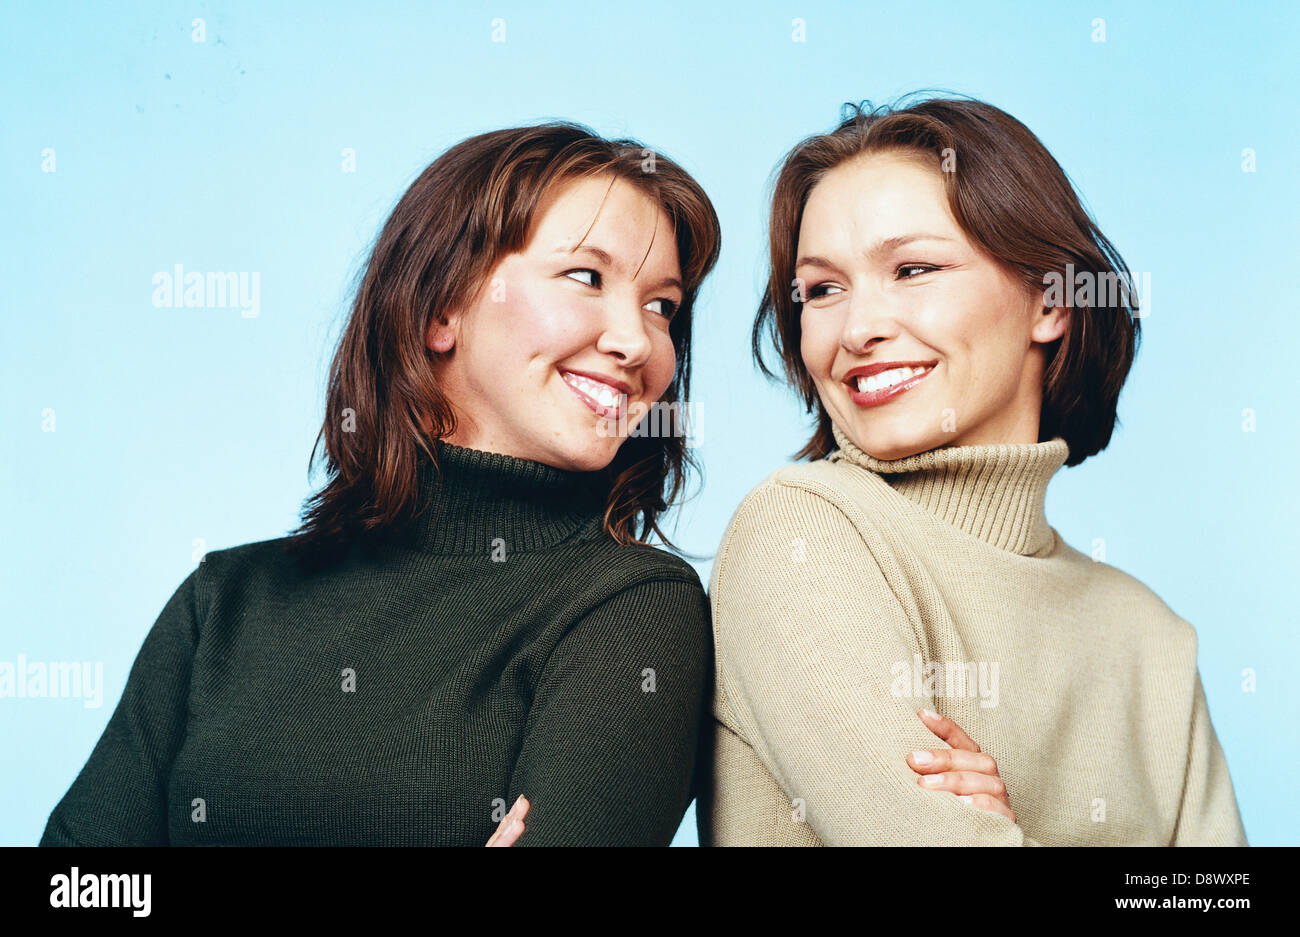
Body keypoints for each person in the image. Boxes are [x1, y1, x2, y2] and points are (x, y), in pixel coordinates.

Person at [41, 121, 721, 847]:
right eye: (586, 277)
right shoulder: (224, 602)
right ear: (440, 309)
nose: (639, 342)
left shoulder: (632, 612)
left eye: (663, 306)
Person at [697, 95, 1247, 846]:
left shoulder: (1150, 636)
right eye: (822, 289)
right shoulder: (802, 532)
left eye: (913, 268)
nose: (857, 329)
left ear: (1050, 300)